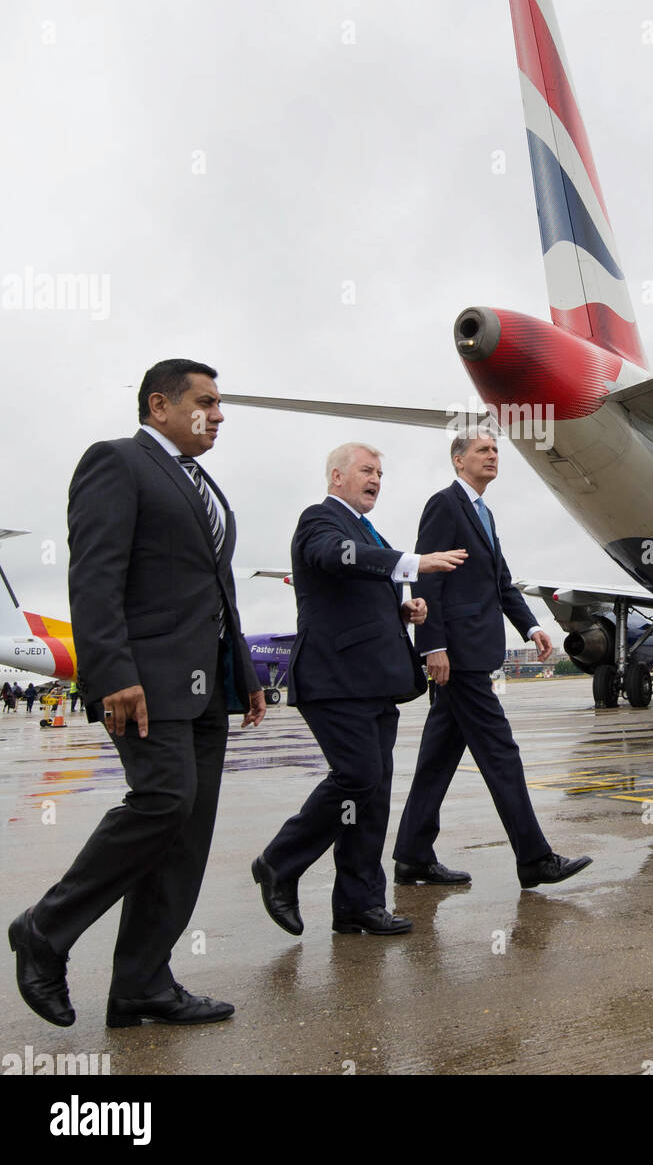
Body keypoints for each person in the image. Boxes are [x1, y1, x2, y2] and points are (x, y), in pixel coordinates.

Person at [8, 358, 266, 1030]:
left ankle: (143, 982)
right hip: (144, 681)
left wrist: (246, 672)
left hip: (208, 685)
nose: (219, 414)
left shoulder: (203, 484)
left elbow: (217, 590)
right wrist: (112, 671)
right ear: (159, 405)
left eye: (220, 402)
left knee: (187, 831)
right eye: (206, 401)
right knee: (163, 800)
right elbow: (95, 573)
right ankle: (45, 928)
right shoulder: (117, 463)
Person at [251, 443, 466, 938]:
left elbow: (356, 593)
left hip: (375, 682)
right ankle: (279, 862)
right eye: (366, 471)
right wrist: (414, 563)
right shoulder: (320, 520)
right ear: (336, 476)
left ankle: (359, 904)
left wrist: (402, 611)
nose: (376, 479)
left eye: (380, 473)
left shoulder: (370, 531)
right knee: (357, 777)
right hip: (334, 679)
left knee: (372, 796)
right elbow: (336, 558)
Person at [393, 433, 592, 890]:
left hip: (475, 651)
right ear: (459, 460)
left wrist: (533, 627)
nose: (493, 456)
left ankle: (412, 855)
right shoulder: (445, 505)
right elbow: (428, 576)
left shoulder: (485, 514)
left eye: (496, 451)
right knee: (502, 753)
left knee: (437, 760)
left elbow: (501, 583)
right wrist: (433, 646)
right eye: (483, 451)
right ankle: (534, 858)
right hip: (458, 656)